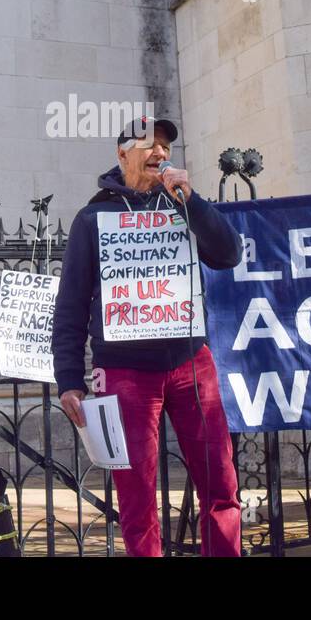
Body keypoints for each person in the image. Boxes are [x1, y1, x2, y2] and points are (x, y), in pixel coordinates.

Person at [52, 115, 243, 556]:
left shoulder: (182, 205)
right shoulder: (93, 217)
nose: (159, 153)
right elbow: (71, 307)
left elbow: (229, 253)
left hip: (191, 364)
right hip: (124, 374)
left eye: (165, 146)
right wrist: (69, 381)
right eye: (148, 145)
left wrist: (193, 202)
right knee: (137, 498)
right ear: (122, 155)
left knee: (221, 484)